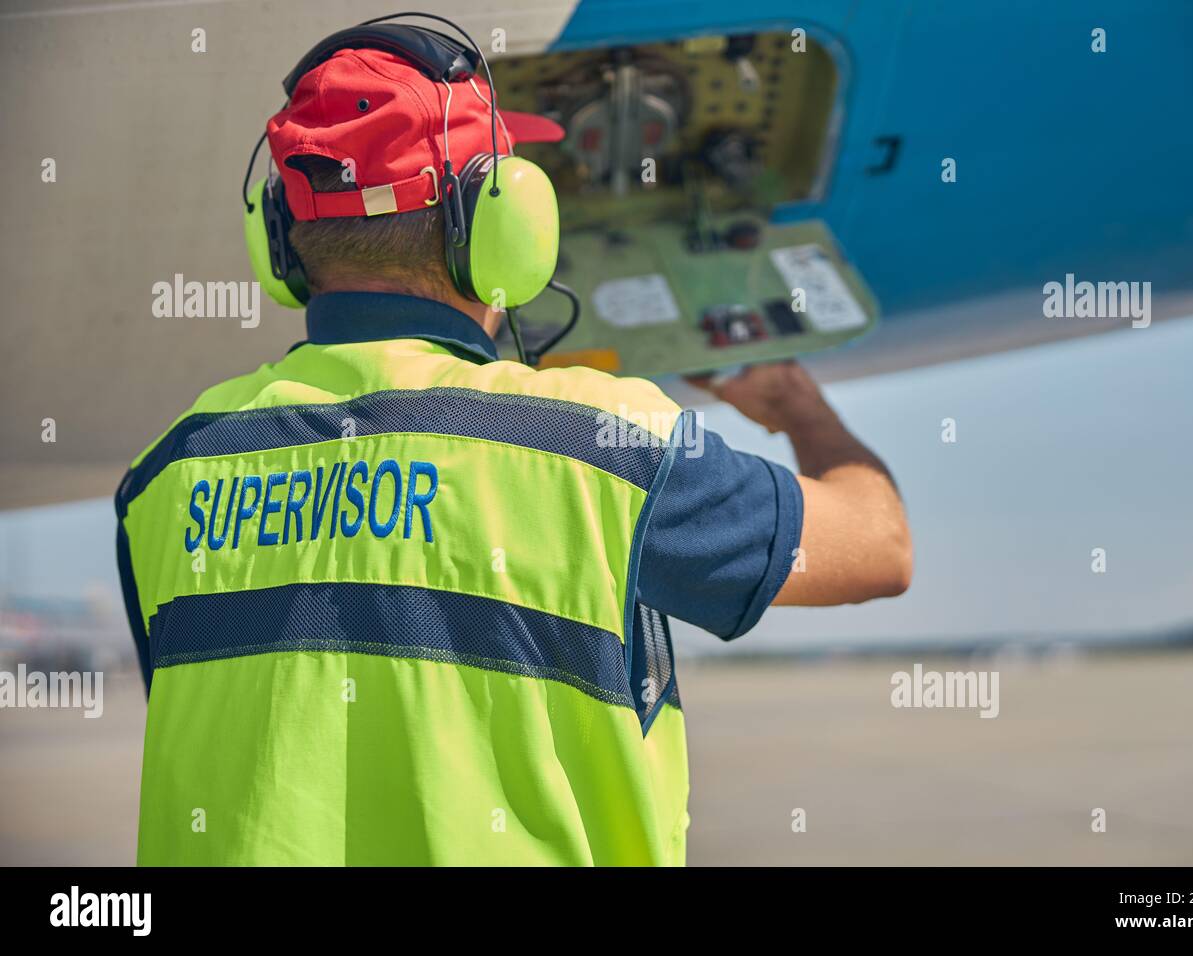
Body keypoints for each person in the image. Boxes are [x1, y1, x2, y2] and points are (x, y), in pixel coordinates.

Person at [114, 20, 911, 866]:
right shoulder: (604, 446)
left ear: (279, 240)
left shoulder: (167, 475)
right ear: (502, 227)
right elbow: (880, 549)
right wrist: (796, 407)